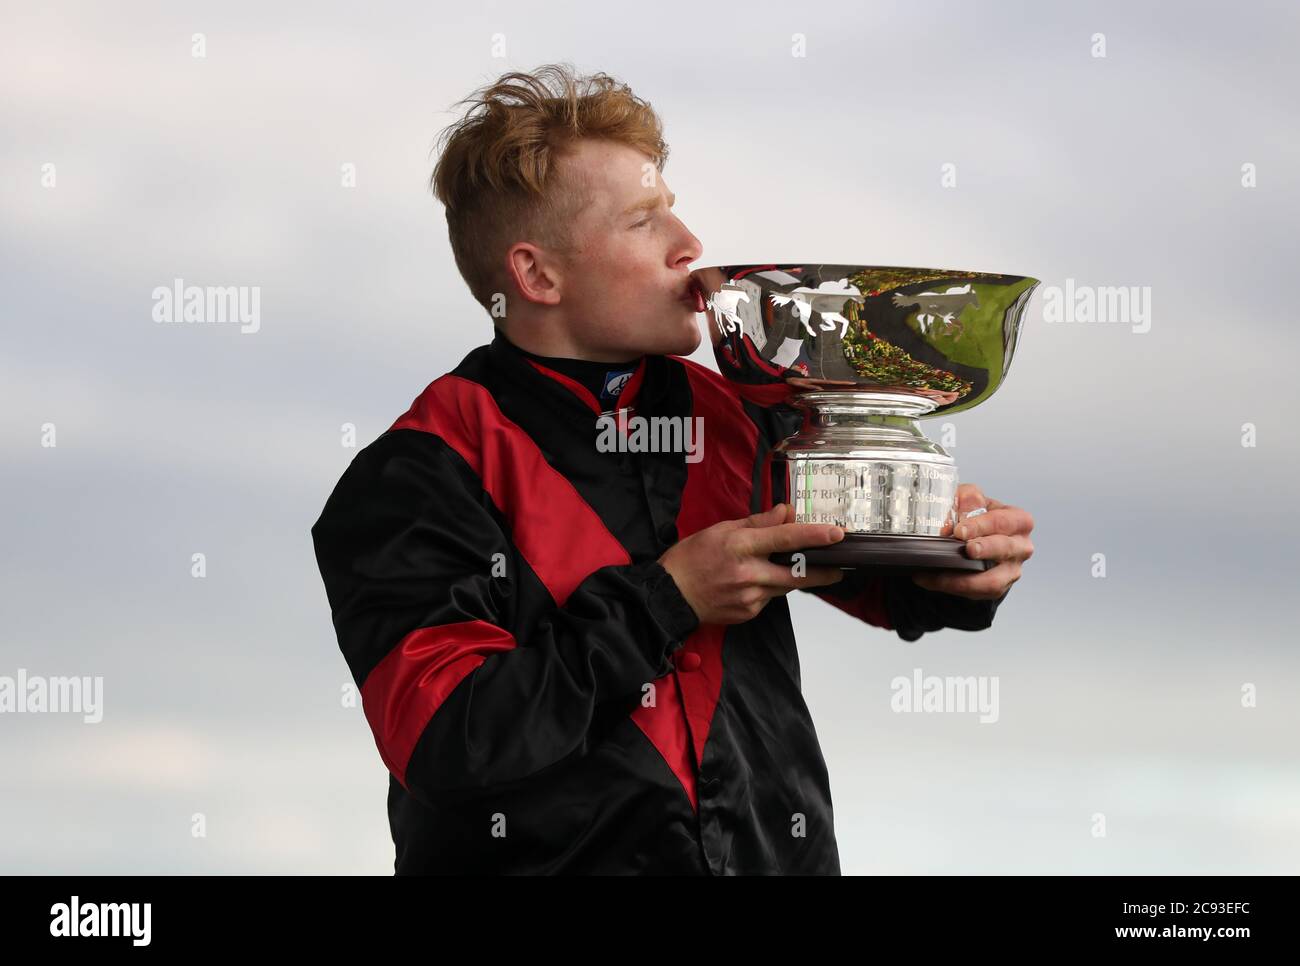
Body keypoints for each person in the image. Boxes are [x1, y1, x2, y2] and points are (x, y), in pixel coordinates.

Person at [309, 64, 1035, 874]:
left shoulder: (747, 416)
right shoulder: (418, 472)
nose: (690, 246)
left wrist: (960, 570)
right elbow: (448, 741)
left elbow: (870, 575)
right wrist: (669, 600)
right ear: (537, 276)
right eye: (643, 222)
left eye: (674, 209)